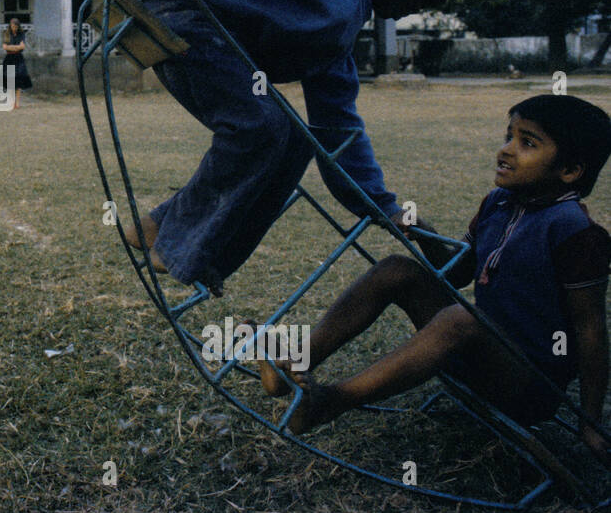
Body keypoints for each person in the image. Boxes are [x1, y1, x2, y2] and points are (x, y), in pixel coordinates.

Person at [256, 95, 611, 467]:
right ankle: (293, 366)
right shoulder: (500, 203)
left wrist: (589, 423)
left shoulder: (576, 232)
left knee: (462, 318)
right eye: (509, 136)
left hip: (527, 384)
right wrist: (422, 231)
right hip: (475, 352)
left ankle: (330, 402)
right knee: (397, 269)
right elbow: (457, 272)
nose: (506, 151)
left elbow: (591, 330)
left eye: (527, 143)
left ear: (570, 170)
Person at [119, 0, 456, 294]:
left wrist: (382, 205)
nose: (416, 4)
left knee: (296, 142)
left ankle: (179, 240)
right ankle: (172, 241)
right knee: (262, 128)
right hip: (185, 12)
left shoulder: (338, 39)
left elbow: (338, 132)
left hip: (211, 42)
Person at [1, 17, 33, 109]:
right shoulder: (6, 34)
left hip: (18, 58)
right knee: (10, 81)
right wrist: (16, 47)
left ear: (18, 27)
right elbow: (5, 47)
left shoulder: (21, 34)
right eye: (12, 26)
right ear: (10, 26)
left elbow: (22, 46)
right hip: (10, 58)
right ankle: (11, 101)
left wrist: (12, 47)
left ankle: (17, 103)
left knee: (18, 81)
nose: (14, 28)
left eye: (15, 26)